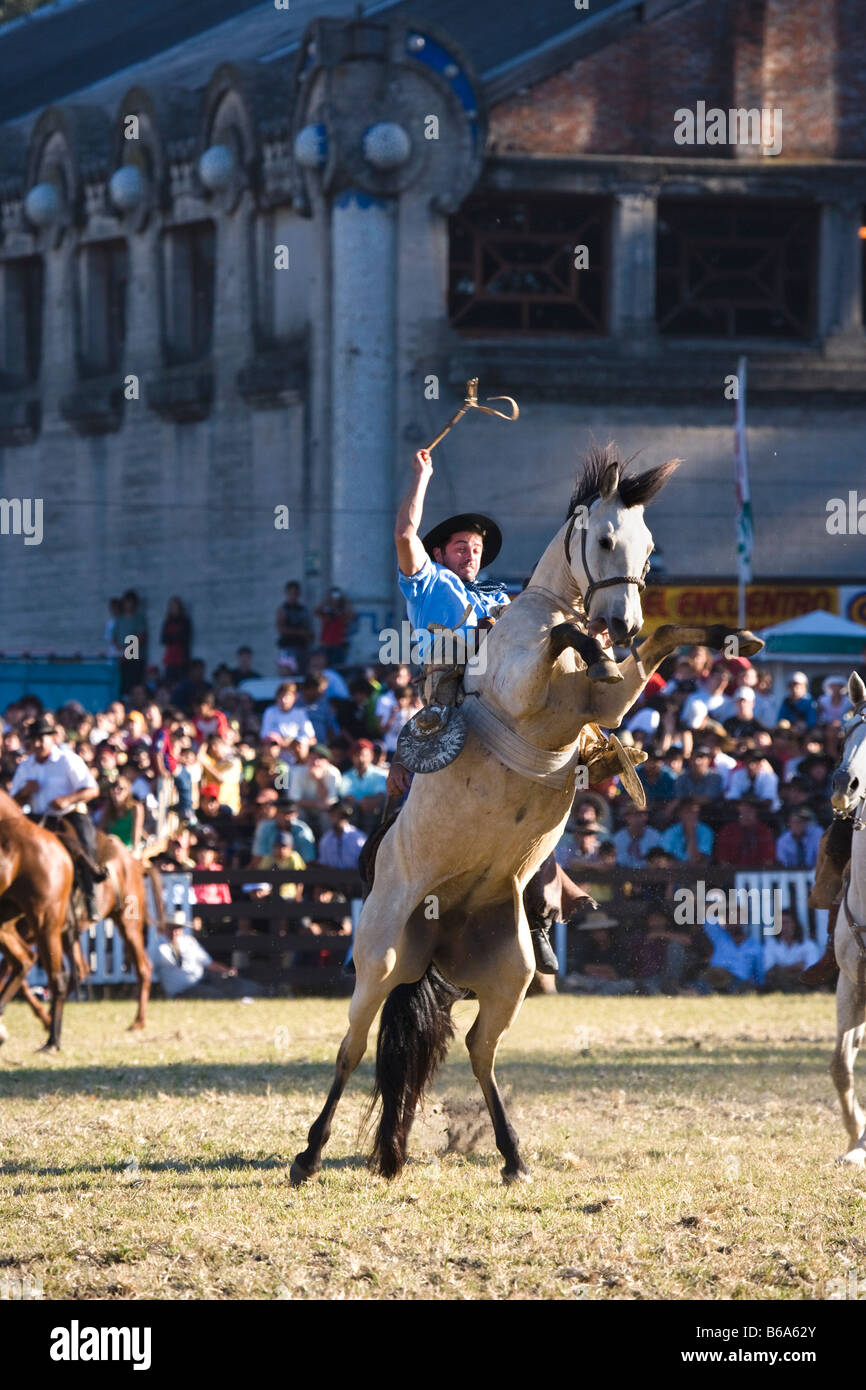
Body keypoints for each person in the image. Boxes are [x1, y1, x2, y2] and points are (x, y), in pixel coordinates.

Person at [10, 716, 107, 918]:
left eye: (41, 739)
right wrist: (24, 793)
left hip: (68, 815)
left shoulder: (67, 760)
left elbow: (92, 790)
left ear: (52, 738)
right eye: (33, 740)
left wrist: (68, 799)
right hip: (36, 819)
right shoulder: (26, 766)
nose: (37, 744)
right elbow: (13, 803)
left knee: (85, 845)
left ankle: (90, 896)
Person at [150, 912, 263, 999]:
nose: (175, 932)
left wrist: (227, 970)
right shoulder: (157, 947)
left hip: (203, 978)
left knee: (230, 982)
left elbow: (208, 962)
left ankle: (261, 991)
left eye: (178, 928)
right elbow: (148, 971)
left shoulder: (188, 941)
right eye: (171, 928)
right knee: (215, 994)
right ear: (165, 928)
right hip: (183, 989)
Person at [715, 796, 777, 869]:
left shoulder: (764, 831)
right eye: (744, 808)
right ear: (738, 809)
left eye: (750, 809)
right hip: (731, 874)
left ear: (756, 811)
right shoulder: (728, 830)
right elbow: (723, 859)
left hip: (757, 875)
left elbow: (768, 861)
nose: (747, 812)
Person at [763, 909, 818, 990]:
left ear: (795, 924)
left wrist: (781, 969)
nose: (784, 927)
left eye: (787, 923)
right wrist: (796, 967)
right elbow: (769, 971)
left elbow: (812, 971)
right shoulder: (771, 945)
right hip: (779, 987)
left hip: (803, 986)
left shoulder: (808, 945)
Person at [260, 682, 315, 747]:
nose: (283, 700)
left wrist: (293, 741)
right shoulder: (270, 712)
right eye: (281, 696)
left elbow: (311, 738)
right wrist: (280, 740)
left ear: (295, 697)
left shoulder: (300, 713)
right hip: (276, 748)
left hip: (295, 750)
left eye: (287, 697)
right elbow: (264, 735)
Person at [276, 581, 313, 674]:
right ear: (287, 593)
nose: (293, 596)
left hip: (302, 648)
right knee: (287, 675)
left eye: (295, 593)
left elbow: (309, 628)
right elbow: (281, 629)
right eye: (291, 593)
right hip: (288, 648)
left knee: (303, 675)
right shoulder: (283, 609)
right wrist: (300, 632)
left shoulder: (303, 609)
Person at [318, 800, 367, 870]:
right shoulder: (326, 839)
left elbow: (364, 865)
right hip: (331, 878)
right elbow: (324, 863)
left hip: (355, 878)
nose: (335, 818)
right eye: (333, 815)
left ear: (346, 817)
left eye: (340, 815)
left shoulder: (359, 838)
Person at [315, 588, 356, 667]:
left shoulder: (342, 612)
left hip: (338, 645)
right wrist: (327, 600)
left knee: (337, 668)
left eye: (337, 595)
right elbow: (316, 611)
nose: (335, 598)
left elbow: (351, 616)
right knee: (324, 668)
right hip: (325, 645)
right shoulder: (326, 611)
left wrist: (346, 600)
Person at [160, 597, 192, 684]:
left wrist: (172, 637)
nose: (173, 609)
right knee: (168, 681)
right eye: (171, 606)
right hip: (170, 657)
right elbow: (163, 639)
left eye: (175, 606)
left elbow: (184, 637)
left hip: (181, 657)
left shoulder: (185, 621)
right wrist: (175, 637)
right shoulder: (167, 622)